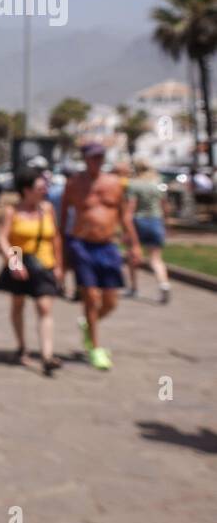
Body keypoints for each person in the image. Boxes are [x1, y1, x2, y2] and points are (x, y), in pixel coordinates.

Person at [58, 143, 142, 371]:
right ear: (85, 159)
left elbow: (124, 216)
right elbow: (63, 218)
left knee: (110, 302)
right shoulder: (74, 184)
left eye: (101, 157)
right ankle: (94, 348)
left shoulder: (114, 184)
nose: (97, 161)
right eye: (94, 157)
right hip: (81, 245)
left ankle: (88, 324)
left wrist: (134, 245)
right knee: (91, 296)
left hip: (107, 246)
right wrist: (61, 254)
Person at [0, 167, 64, 375]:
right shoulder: (11, 211)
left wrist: (59, 266)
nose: (44, 191)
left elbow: (56, 238)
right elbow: (3, 239)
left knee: (44, 308)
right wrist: (14, 263)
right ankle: (22, 346)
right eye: (40, 187)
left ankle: (47, 355)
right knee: (18, 305)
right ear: (26, 190)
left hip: (45, 265)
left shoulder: (48, 209)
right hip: (20, 263)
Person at [125, 158, 170, 303]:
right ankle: (164, 284)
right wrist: (166, 222)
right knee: (156, 259)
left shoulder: (134, 184)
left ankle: (134, 287)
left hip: (140, 221)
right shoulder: (157, 183)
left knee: (133, 255)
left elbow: (131, 208)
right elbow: (165, 205)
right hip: (156, 220)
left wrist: (127, 227)